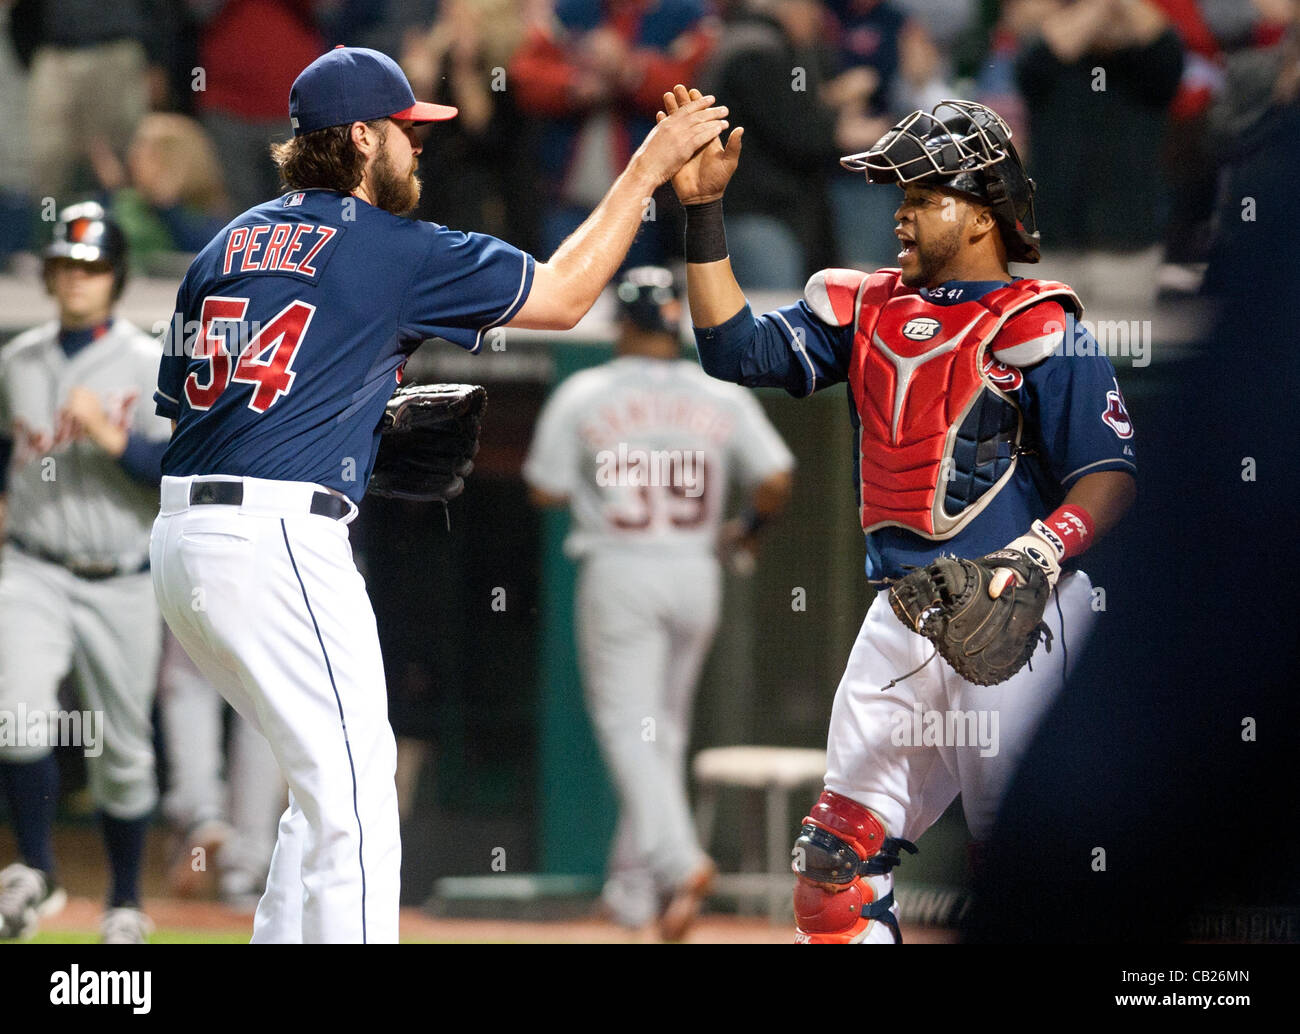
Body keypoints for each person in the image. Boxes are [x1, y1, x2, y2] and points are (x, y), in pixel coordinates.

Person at [148, 45, 728, 944]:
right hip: (275, 541)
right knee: (353, 802)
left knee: (323, 782)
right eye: (405, 131)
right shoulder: (391, 245)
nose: (419, 148)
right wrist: (648, 167)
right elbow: (570, 294)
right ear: (356, 139)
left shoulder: (227, 243)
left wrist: (352, 433)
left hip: (187, 541)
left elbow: (191, 405)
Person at [660, 86, 1137, 942]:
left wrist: (1038, 552)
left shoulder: (1041, 321)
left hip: (1016, 610)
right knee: (833, 864)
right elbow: (733, 350)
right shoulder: (865, 303)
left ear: (986, 213)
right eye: (903, 198)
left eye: (924, 197)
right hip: (904, 612)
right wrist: (703, 210)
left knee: (1028, 866)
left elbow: (1109, 474)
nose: (902, 216)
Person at [522, 264, 795, 940]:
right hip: (696, 572)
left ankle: (676, 862)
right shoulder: (719, 395)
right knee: (661, 734)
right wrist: (747, 532)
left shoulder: (586, 389)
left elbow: (543, 487)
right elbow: (777, 478)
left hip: (621, 569)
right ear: (676, 320)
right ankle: (636, 893)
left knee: (628, 729)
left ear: (621, 321)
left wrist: (609, 474)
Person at [0, 202, 170, 944]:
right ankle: (36, 872)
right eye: (65, 266)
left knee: (124, 757)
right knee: (14, 717)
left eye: (91, 267)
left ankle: (125, 901)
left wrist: (110, 436)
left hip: (124, 575)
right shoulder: (19, 359)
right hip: (32, 566)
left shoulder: (148, 358)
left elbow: (174, 471)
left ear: (115, 277)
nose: (75, 280)